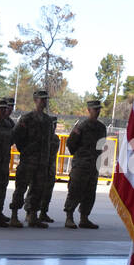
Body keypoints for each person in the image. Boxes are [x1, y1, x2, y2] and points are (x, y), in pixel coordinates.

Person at [10, 89, 55, 228]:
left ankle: (32, 215)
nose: (44, 102)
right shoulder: (27, 118)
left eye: (45, 99)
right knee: (21, 187)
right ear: (35, 100)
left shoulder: (48, 120)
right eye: (41, 99)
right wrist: (25, 151)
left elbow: (49, 141)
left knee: (38, 189)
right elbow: (16, 135)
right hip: (28, 160)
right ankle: (14, 216)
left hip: (42, 162)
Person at [64, 101, 107, 229]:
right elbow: (71, 144)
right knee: (75, 190)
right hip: (81, 165)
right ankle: (69, 217)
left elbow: (102, 144)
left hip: (94, 165)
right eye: (95, 109)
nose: (97, 111)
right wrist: (80, 156)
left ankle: (84, 218)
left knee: (90, 192)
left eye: (98, 109)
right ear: (89, 110)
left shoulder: (101, 127)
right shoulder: (81, 127)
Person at [38, 116, 60, 224]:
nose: (54, 127)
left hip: (50, 168)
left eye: (55, 124)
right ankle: (31, 212)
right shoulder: (41, 137)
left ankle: (43, 212)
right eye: (52, 124)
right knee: (36, 190)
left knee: (48, 192)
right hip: (40, 167)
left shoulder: (55, 139)